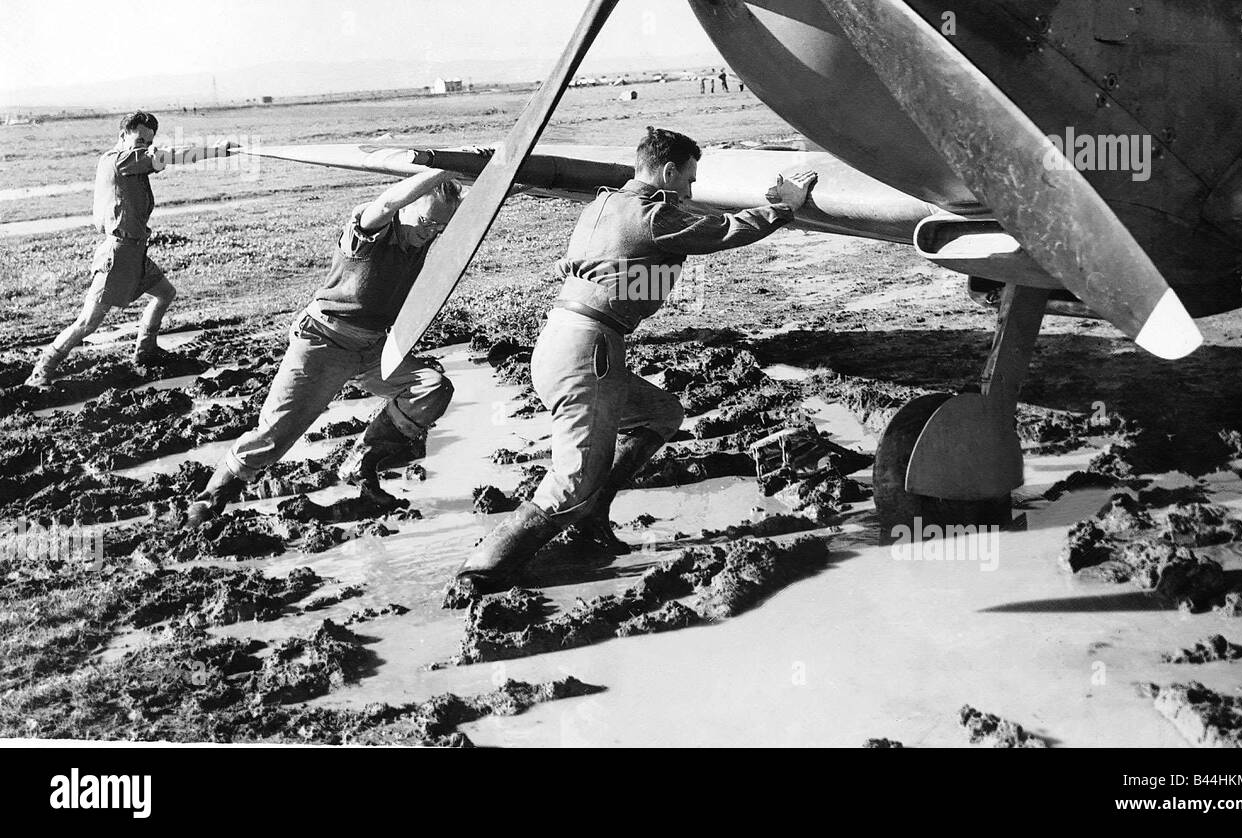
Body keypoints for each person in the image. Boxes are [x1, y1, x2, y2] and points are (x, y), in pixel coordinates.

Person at [454, 127, 817, 592]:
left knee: (662, 413)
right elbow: (725, 232)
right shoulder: (653, 218)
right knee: (572, 482)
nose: (690, 190)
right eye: (688, 179)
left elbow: (637, 254)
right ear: (667, 172)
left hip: (562, 340)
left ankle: (593, 513)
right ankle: (482, 572)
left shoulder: (603, 205)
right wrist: (786, 206)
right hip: (592, 349)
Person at [186, 169, 462, 525]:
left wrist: (508, 174)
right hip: (323, 342)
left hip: (373, 349)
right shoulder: (371, 230)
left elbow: (478, 202)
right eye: (426, 221)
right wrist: (444, 169)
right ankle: (208, 504)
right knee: (273, 436)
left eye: (439, 228)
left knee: (432, 388)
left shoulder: (420, 236)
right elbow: (390, 199)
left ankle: (361, 462)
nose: (430, 232)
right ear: (407, 208)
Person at [27, 111, 181, 387]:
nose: (144, 145)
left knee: (165, 294)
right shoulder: (119, 159)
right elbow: (165, 158)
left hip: (135, 252)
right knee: (88, 322)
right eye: (139, 139)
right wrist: (219, 150)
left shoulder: (129, 161)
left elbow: (155, 160)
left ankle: (145, 351)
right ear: (123, 135)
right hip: (119, 254)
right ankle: (42, 370)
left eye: (148, 141)